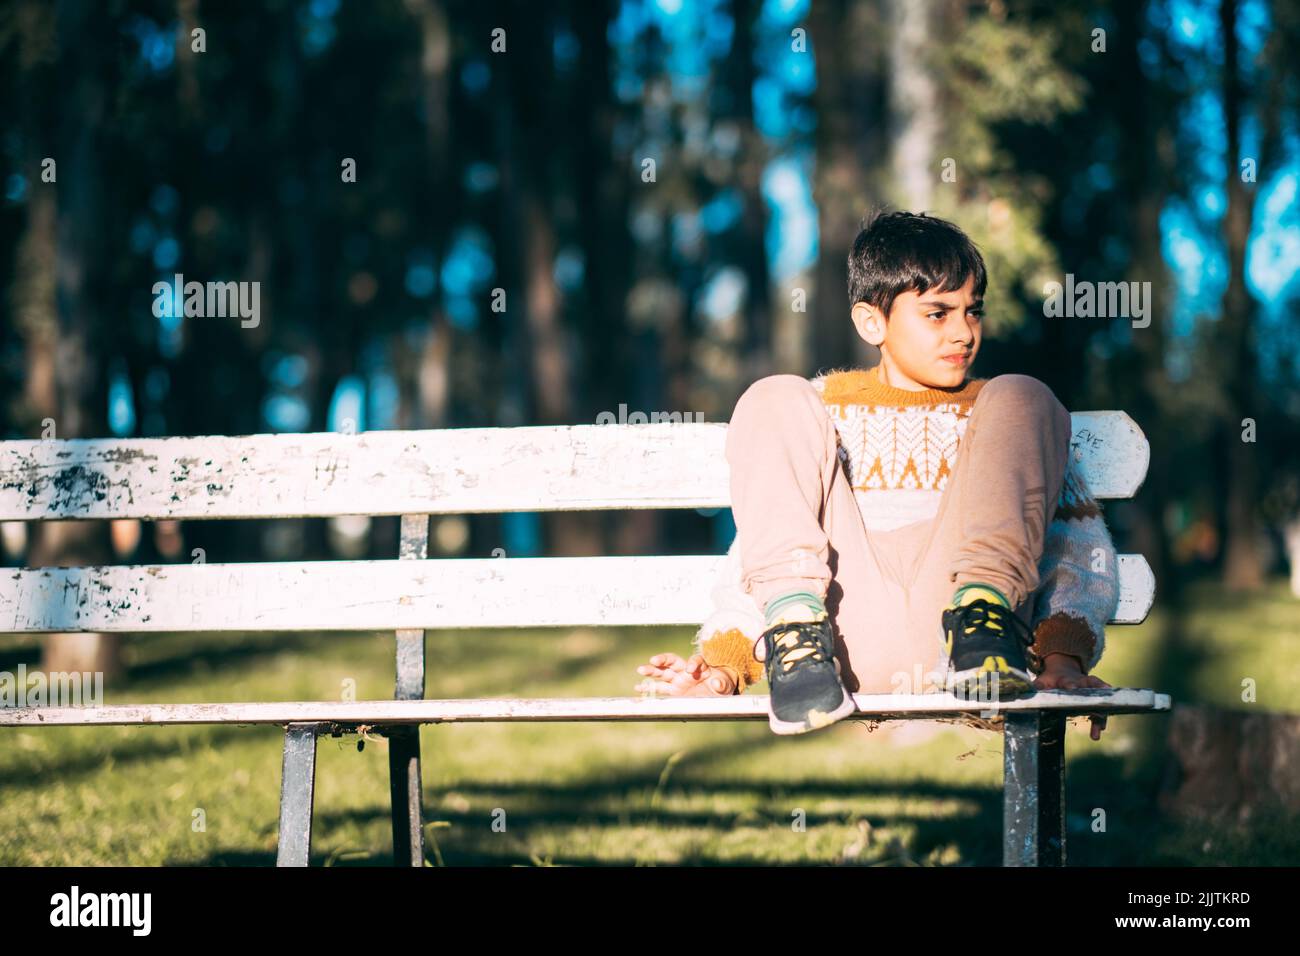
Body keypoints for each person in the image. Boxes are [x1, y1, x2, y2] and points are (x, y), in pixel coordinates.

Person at [635, 211, 1118, 738]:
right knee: (773, 396)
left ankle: (980, 626)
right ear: (872, 323)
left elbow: (1072, 547)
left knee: (1024, 392)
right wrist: (724, 668)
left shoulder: (1010, 417)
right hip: (839, 634)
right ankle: (796, 641)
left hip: (977, 638)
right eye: (938, 314)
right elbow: (764, 550)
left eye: (972, 312)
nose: (964, 332)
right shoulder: (820, 413)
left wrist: (1063, 658)